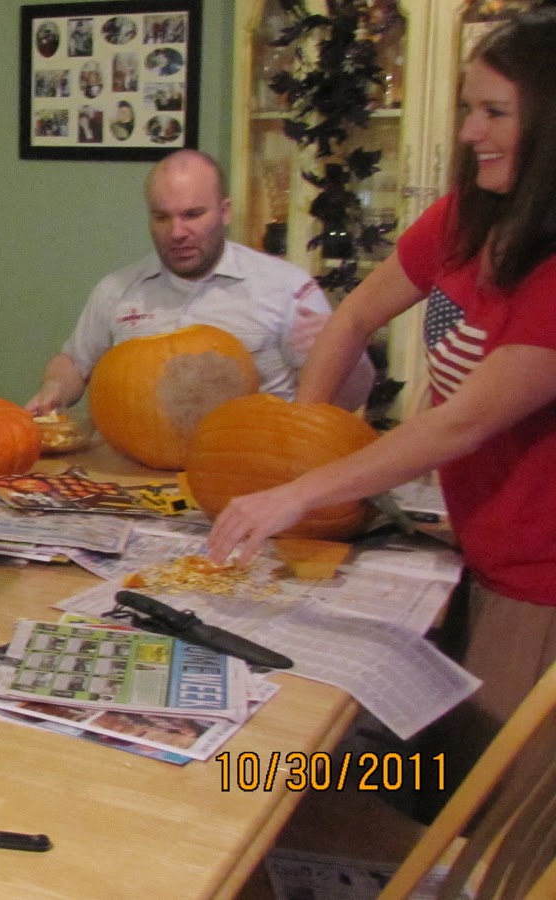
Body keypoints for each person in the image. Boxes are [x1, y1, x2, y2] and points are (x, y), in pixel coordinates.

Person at [207, 9, 556, 770]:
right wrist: (296, 441)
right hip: (475, 549)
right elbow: (356, 315)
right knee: (414, 761)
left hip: (538, 583)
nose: (469, 131)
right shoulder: (467, 217)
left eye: (495, 112)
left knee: (486, 804)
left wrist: (300, 493)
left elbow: (461, 424)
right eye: (466, 108)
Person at [25, 149, 375, 414]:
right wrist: (55, 388)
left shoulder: (286, 287)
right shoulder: (116, 290)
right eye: (162, 217)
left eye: (193, 215)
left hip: (252, 459)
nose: (177, 232)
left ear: (224, 212)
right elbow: (75, 362)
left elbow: (346, 400)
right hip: (135, 467)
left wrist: (350, 351)